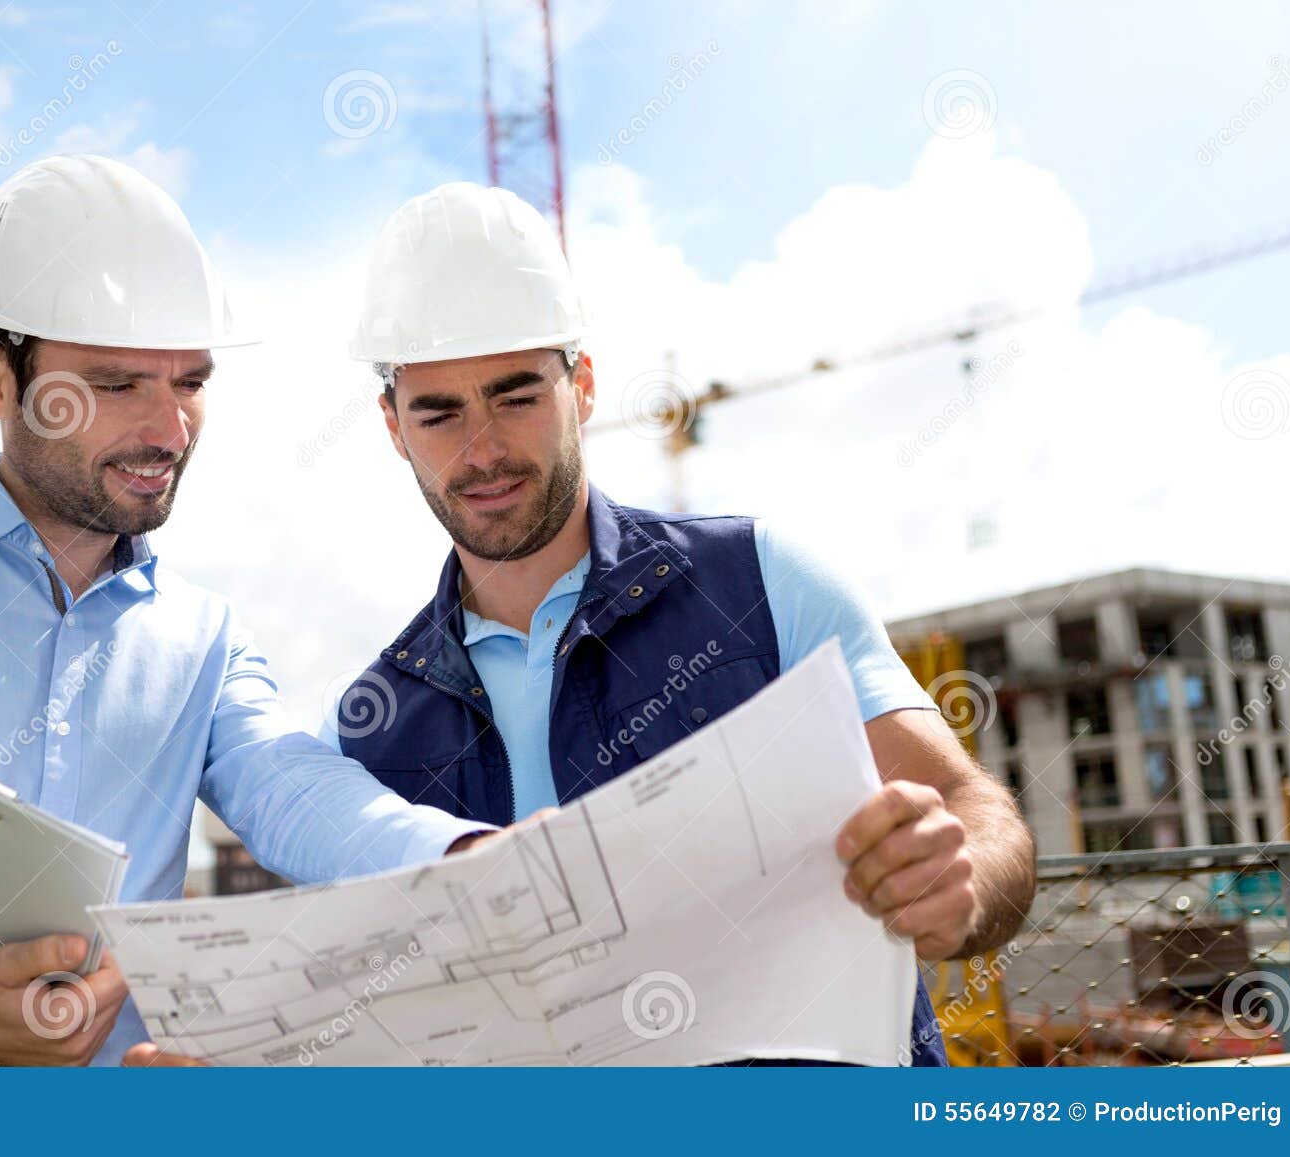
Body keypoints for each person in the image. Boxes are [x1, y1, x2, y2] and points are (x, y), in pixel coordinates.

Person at [0, 156, 494, 1068]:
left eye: (190, 383)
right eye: (119, 385)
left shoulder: (206, 640)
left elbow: (293, 788)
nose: (169, 431)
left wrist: (460, 859)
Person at [320, 182, 1037, 1066]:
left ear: (581, 387)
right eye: (439, 413)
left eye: (516, 397)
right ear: (393, 426)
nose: (483, 450)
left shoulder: (762, 582)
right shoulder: (367, 732)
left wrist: (958, 878)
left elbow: (974, 811)